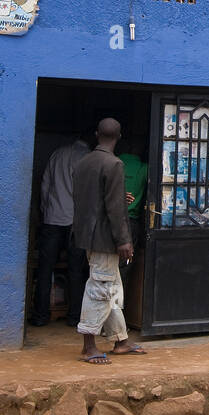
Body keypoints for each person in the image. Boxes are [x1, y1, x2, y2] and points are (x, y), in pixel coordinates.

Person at [71, 118, 146, 362]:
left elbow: (89, 197)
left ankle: (121, 340)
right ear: (119, 136)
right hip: (105, 238)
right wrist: (124, 240)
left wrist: (114, 197)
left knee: (112, 289)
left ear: (96, 134)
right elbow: (114, 208)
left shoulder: (84, 162)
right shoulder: (114, 164)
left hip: (88, 235)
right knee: (100, 289)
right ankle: (88, 345)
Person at [30, 134, 89, 327]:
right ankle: (74, 317)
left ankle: (40, 316)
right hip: (75, 221)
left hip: (52, 219)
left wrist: (44, 212)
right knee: (76, 271)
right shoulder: (86, 157)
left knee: (45, 269)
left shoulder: (57, 154)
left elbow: (45, 185)